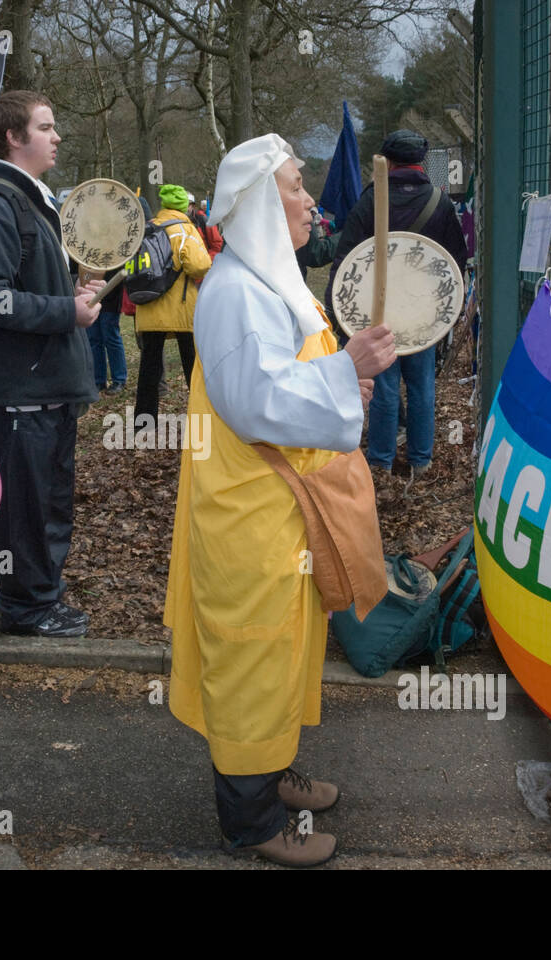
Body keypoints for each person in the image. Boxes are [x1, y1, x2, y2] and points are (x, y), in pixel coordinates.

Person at [165, 134, 397, 867]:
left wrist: (339, 375)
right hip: (251, 514)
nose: (309, 200)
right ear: (264, 203)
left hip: (280, 505)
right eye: (296, 186)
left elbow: (291, 376)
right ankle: (251, 822)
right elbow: (256, 400)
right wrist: (344, 373)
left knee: (287, 651)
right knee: (252, 662)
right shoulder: (237, 291)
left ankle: (272, 771)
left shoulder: (270, 282)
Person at [0, 90, 102, 638]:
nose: (57, 136)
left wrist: (74, 292)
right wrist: (67, 309)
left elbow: (23, 288)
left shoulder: (33, 203)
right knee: (24, 510)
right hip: (17, 393)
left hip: (44, 388)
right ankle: (25, 608)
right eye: (46, 126)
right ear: (14, 138)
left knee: (46, 504)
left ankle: (42, 597)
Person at [323, 129, 468, 484]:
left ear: (387, 162)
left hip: (378, 310)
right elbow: (455, 261)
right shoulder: (440, 201)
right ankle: (422, 461)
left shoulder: (371, 201)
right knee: (422, 387)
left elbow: (346, 260)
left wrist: (337, 308)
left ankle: (380, 464)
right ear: (421, 162)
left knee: (385, 388)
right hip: (424, 314)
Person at [133, 184, 211, 426]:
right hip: (181, 309)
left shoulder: (147, 228)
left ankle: (144, 422)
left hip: (149, 307)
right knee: (192, 366)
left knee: (149, 367)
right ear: (184, 207)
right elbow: (200, 265)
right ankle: (200, 417)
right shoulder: (186, 230)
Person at [87, 266, 127, 394]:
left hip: (111, 298)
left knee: (110, 337)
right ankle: (98, 381)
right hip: (91, 297)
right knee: (93, 338)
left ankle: (119, 379)